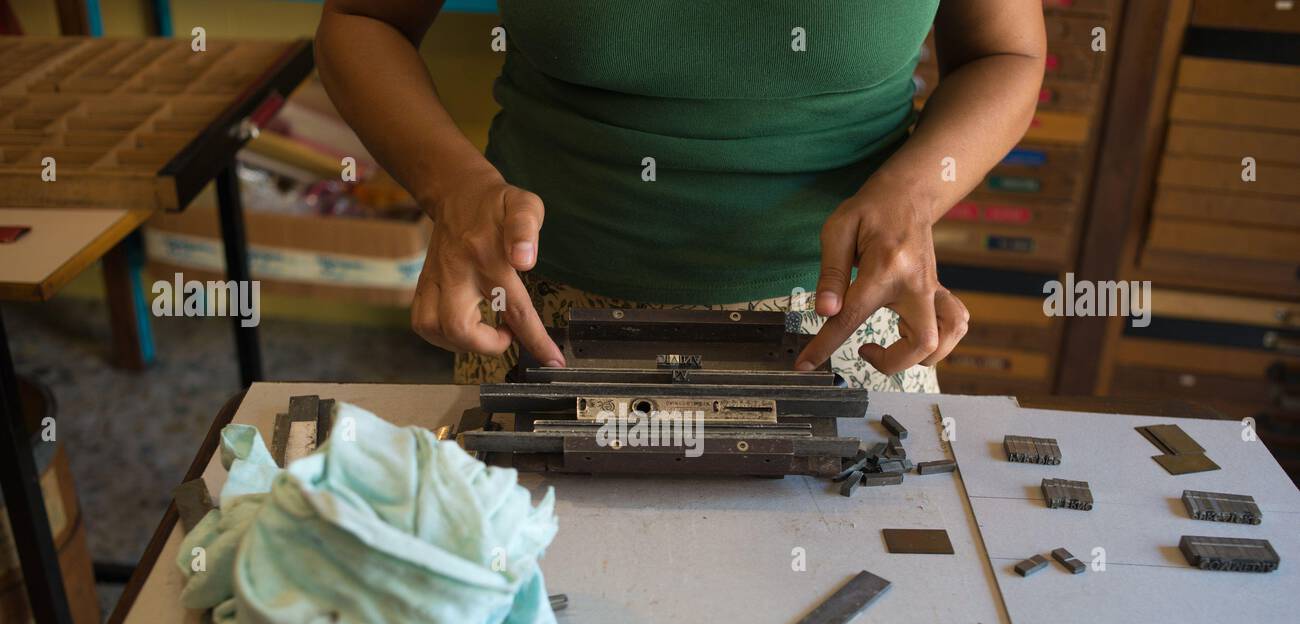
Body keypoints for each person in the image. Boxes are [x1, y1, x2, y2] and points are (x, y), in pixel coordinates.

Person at [317, 1, 1046, 390]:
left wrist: (916, 194)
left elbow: (1005, 54)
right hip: (540, 315)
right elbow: (364, 20)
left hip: (845, 321)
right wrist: (456, 191)